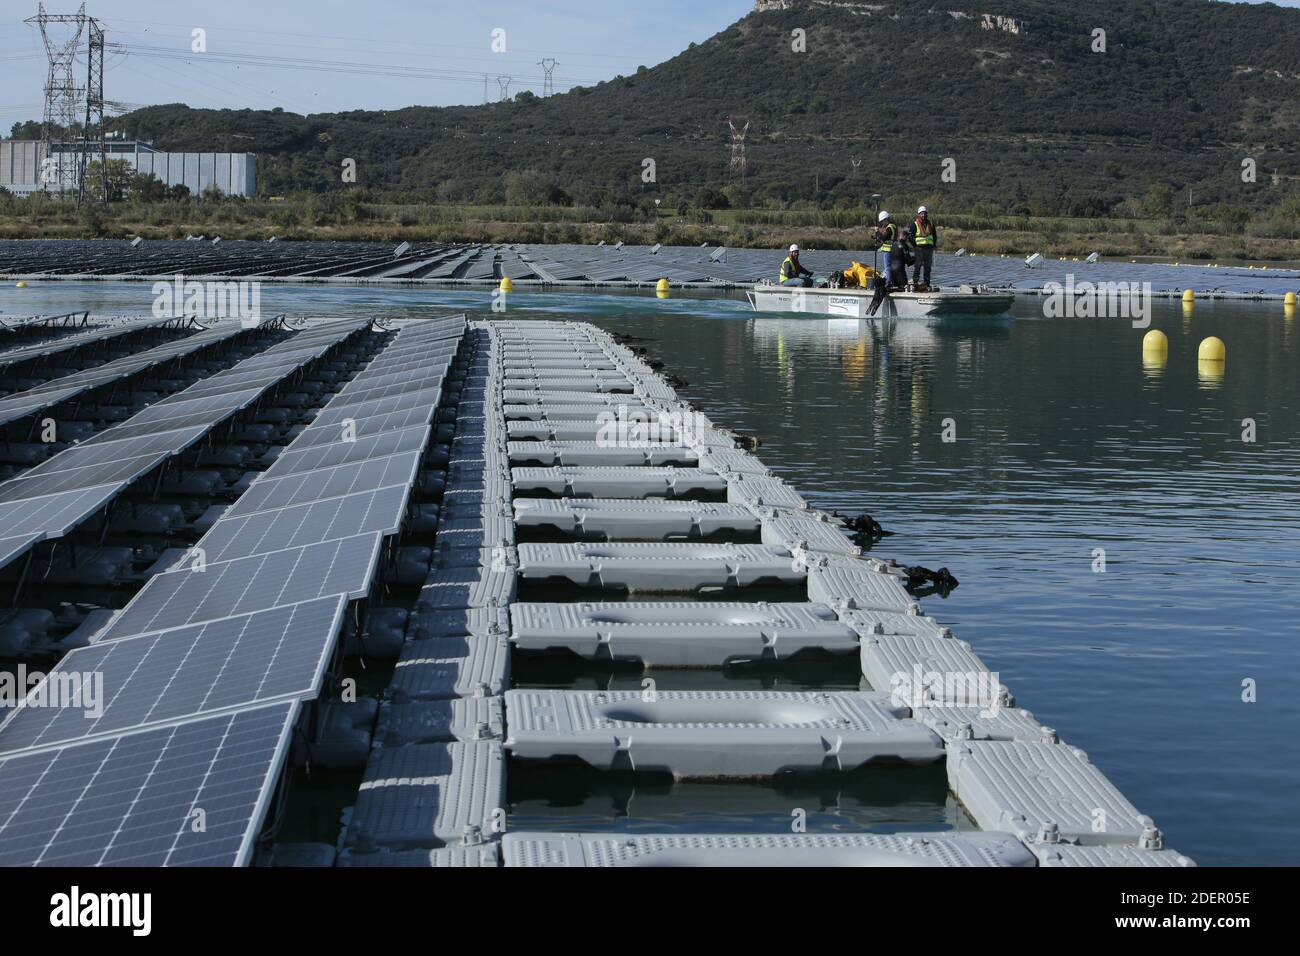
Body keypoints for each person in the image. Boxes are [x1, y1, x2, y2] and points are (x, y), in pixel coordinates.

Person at [909, 205, 938, 287]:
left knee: (928, 266)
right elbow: (910, 236)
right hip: (919, 248)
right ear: (919, 214)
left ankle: (926, 282)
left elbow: (934, 236)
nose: (923, 215)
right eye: (922, 214)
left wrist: (934, 245)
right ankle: (915, 282)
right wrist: (915, 245)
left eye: (925, 213)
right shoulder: (914, 225)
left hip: (929, 248)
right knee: (918, 265)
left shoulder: (931, 224)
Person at [873, 211, 901, 289]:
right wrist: (877, 237)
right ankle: (892, 282)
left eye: (882, 221)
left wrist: (877, 231)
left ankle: (889, 282)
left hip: (889, 251)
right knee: (891, 268)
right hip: (893, 250)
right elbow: (885, 240)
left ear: (885, 219)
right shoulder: (893, 226)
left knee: (888, 267)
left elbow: (883, 238)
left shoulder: (890, 227)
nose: (882, 223)